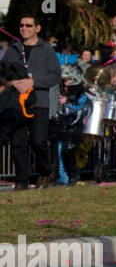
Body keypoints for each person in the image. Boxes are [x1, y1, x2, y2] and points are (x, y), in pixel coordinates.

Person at [1, 15, 62, 190]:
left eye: (28, 25)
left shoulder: (47, 50)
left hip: (39, 101)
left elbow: (56, 76)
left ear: (37, 28)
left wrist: (33, 82)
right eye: (21, 25)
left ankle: (46, 172)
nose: (24, 28)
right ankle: (21, 180)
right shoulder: (13, 49)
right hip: (16, 103)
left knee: (38, 141)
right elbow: (3, 74)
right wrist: (11, 83)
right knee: (18, 142)